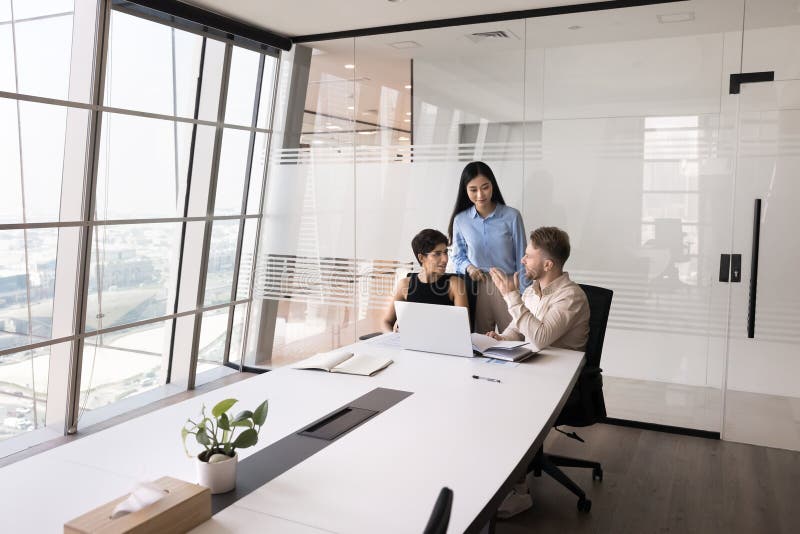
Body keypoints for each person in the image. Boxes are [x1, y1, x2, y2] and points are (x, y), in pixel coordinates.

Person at [487, 226, 590, 519]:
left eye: (528, 255)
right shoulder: (533, 291)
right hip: (532, 370)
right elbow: (519, 330)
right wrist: (500, 338)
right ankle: (493, 478)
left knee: (508, 410)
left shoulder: (571, 297)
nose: (522, 260)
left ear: (548, 264)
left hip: (560, 380)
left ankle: (519, 493)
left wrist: (510, 296)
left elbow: (541, 336)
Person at [448, 161, 527, 334]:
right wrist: (468, 267)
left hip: (508, 284)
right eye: (473, 189)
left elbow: (523, 257)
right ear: (465, 190)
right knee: (480, 340)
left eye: (485, 187)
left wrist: (524, 292)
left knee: (515, 338)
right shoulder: (461, 220)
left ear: (492, 185)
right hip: (478, 285)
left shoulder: (511, 216)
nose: (480, 194)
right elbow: (457, 256)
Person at [382, 229, 468, 332]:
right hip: (409, 345)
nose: (445, 259)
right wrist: (393, 336)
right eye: (437, 254)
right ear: (422, 258)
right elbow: (386, 322)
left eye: (445, 252)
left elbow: (463, 328)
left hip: (443, 346)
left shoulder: (455, 284)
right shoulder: (405, 285)